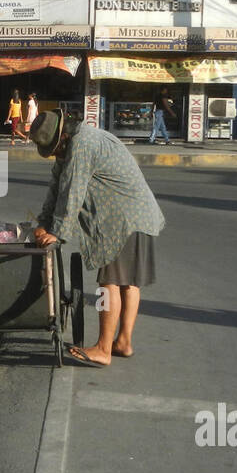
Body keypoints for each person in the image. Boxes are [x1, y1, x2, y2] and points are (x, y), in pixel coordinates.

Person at [30, 110, 165, 367]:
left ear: (61, 138)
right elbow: (56, 186)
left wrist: (56, 233)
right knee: (128, 282)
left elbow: (71, 192)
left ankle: (103, 348)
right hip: (138, 215)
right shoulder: (77, 141)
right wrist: (43, 222)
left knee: (109, 282)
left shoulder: (81, 147)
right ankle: (123, 342)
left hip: (123, 220)